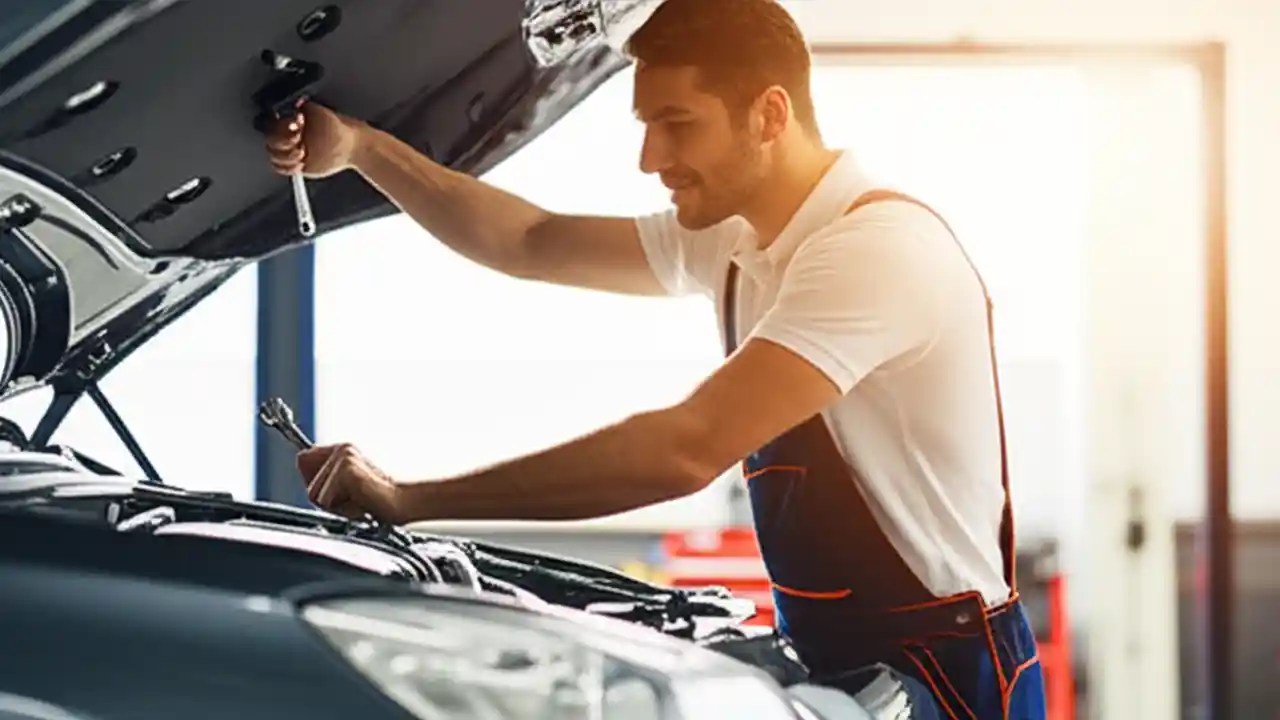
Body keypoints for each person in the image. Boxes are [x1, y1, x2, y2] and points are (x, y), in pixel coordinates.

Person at [264, 0, 1045, 716]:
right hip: (843, 668)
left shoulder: (875, 250)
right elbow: (528, 240)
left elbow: (683, 449)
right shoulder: (735, 240)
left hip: (948, 681)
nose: (649, 157)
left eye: (676, 123)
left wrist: (410, 499)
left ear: (770, 115)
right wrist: (362, 149)